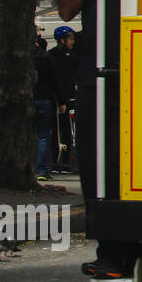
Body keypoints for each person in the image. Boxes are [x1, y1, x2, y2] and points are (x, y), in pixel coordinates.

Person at [59, 0, 134, 280]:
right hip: (96, 76)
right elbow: (67, 8)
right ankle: (110, 249)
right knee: (98, 164)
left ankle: (141, 244)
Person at [50, 26, 79, 173]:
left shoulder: (52, 55)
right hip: (68, 96)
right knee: (68, 130)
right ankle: (66, 162)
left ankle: (56, 161)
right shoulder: (71, 56)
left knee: (57, 130)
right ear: (62, 40)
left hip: (57, 97)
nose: (72, 42)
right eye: (70, 39)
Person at [33, 30, 58, 182]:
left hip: (29, 99)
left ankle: (28, 166)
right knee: (43, 135)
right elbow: (55, 79)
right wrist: (61, 100)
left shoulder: (25, 58)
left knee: (29, 134)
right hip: (45, 99)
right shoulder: (46, 58)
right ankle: (42, 169)